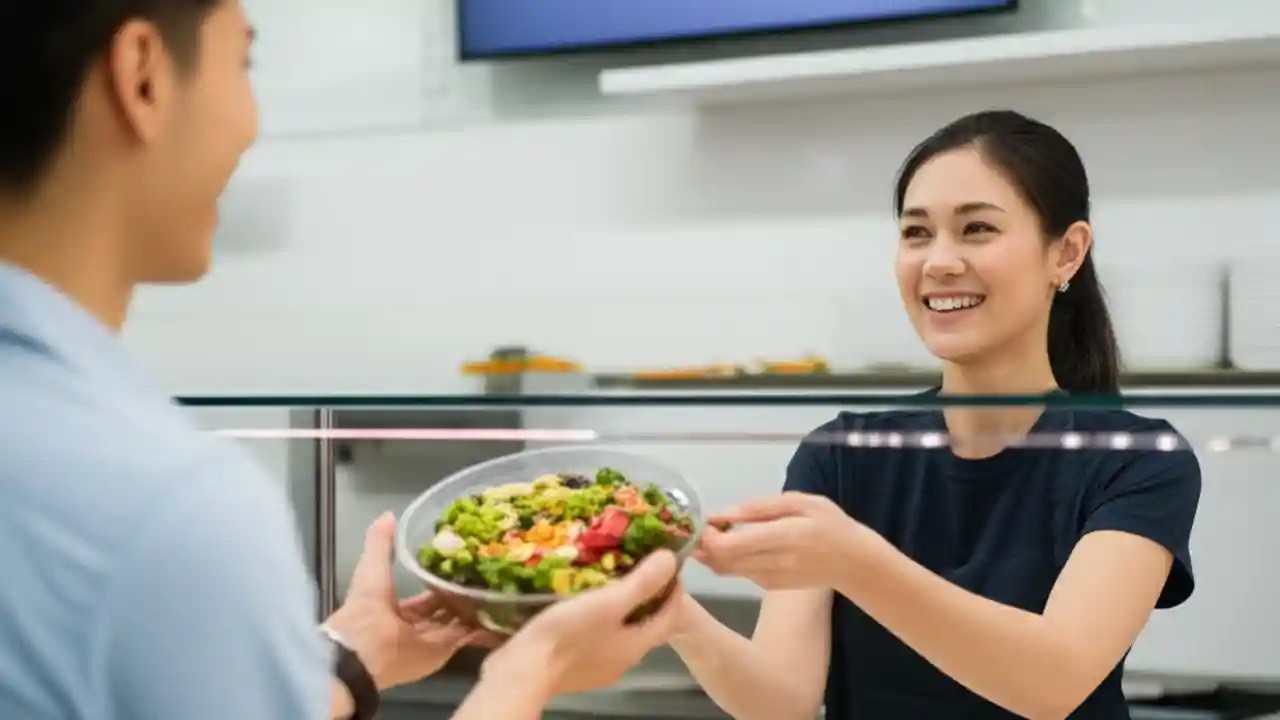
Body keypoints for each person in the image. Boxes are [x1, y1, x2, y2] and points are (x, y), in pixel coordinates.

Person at [0, 2, 677, 719]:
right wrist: (530, 668)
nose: (251, 124)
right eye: (244, 62)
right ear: (142, 76)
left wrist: (351, 660)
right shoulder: (169, 512)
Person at [671, 110, 1202, 719]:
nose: (938, 261)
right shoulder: (841, 454)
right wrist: (671, 612)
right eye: (916, 233)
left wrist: (854, 560)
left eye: (977, 229)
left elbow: (1053, 683)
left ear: (1067, 252)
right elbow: (783, 703)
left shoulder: (1137, 460)